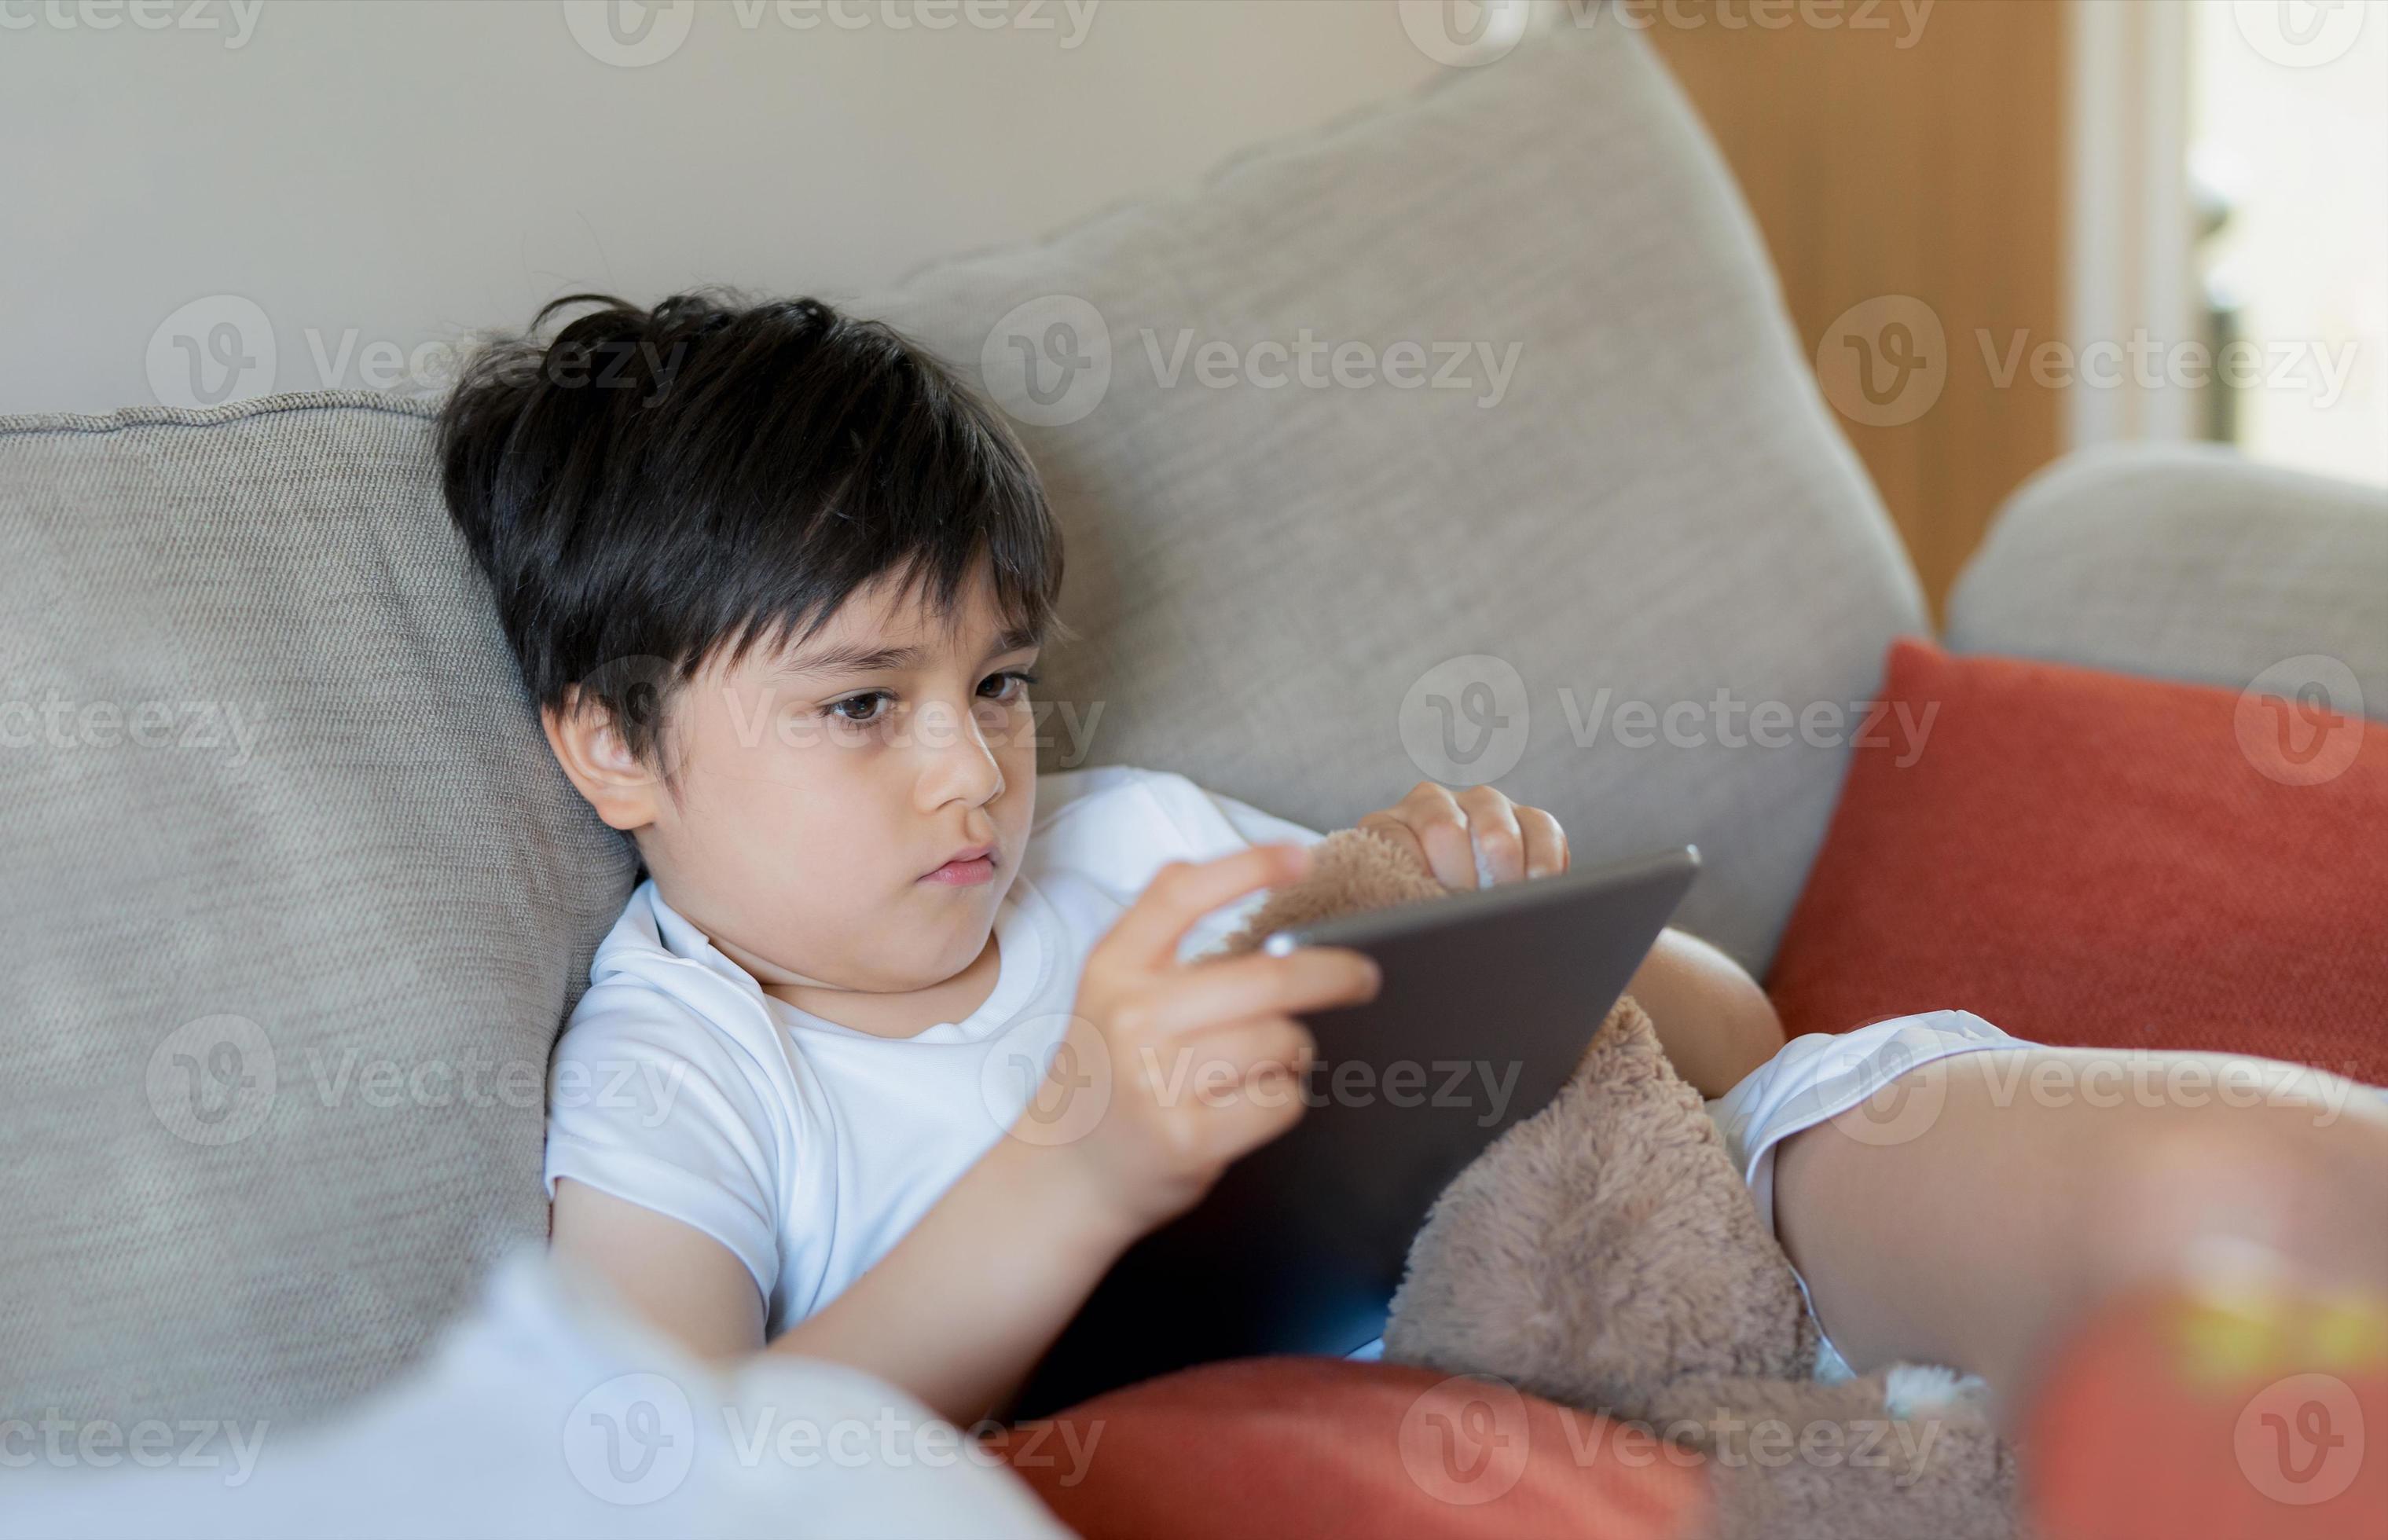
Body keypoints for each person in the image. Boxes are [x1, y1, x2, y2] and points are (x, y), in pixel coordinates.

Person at [438, 290, 2388, 1436]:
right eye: (862, 705)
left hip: (1722, 1212)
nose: (973, 773)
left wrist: (1549, 955)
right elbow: (665, 1471)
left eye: (1001, 681)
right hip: (1443, 1403)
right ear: (610, 741)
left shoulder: (1140, 841)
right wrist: (1075, 1161)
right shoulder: (688, 1064)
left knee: (2235, 1185)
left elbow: (1734, 1031)